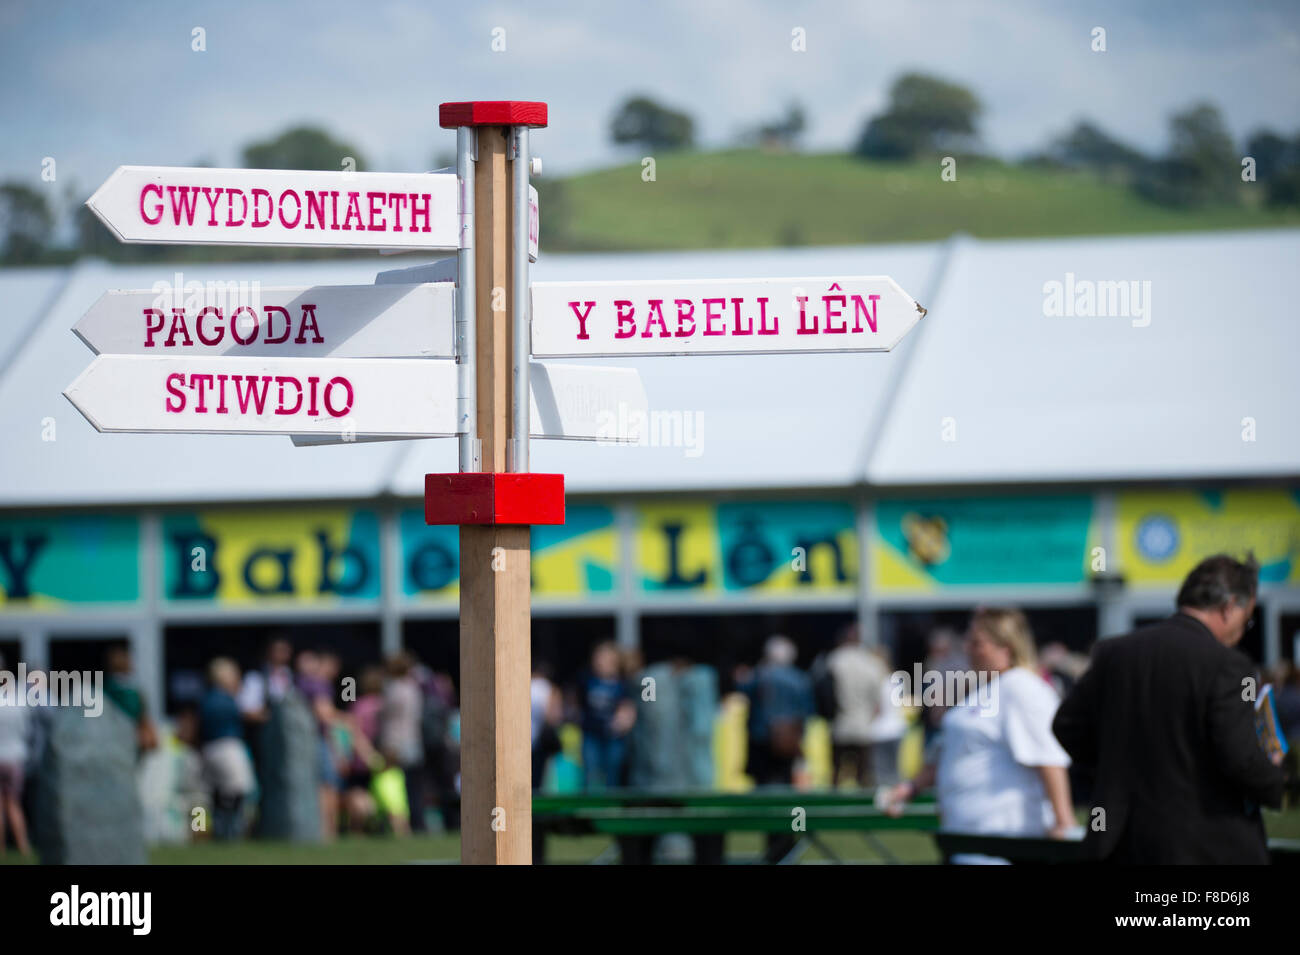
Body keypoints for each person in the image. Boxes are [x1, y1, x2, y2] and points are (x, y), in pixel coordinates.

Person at [1052, 554, 1286, 864]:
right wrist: (1273, 777)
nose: (1243, 631)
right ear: (1229, 607)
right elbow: (1240, 758)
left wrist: (1118, 768)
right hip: (1207, 850)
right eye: (1248, 620)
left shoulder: (1114, 653)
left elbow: (1067, 725)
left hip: (1122, 845)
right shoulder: (1230, 665)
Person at [884, 608, 1074, 864]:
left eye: (977, 643)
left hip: (1004, 840)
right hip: (968, 838)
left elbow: (1048, 758)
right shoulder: (983, 689)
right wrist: (910, 787)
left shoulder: (1022, 688)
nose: (968, 648)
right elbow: (950, 752)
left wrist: (1064, 823)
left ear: (1006, 647)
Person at [198, 658, 256, 840]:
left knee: (218, 794)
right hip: (228, 748)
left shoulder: (206, 698)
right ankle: (231, 832)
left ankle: (220, 831)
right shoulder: (225, 699)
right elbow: (245, 714)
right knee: (236, 793)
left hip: (209, 749)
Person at [826, 624, 887, 788]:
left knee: (836, 775)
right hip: (864, 726)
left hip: (840, 724)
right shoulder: (872, 663)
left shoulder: (834, 660)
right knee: (864, 775)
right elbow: (878, 701)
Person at [580, 642, 635, 790]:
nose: (601, 662)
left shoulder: (623, 684)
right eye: (599, 658)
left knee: (613, 769)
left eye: (605, 658)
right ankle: (591, 806)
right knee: (591, 770)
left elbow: (628, 707)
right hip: (591, 733)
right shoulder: (586, 679)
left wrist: (624, 720)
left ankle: (611, 808)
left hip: (614, 736)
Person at [0, 653, 31, 856]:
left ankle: (1, 849)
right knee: (14, 804)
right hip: (16, 756)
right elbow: (28, 729)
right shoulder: (18, 696)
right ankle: (24, 848)